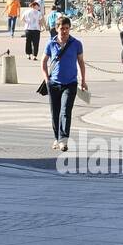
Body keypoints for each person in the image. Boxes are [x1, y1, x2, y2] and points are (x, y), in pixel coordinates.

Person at [42, 16, 86, 151]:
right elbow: (43, 62)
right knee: (55, 113)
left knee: (65, 111)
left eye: (67, 28)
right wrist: (46, 79)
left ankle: (63, 140)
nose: (64, 31)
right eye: (62, 28)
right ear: (56, 29)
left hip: (70, 83)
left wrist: (83, 80)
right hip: (54, 83)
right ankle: (57, 138)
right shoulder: (50, 44)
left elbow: (81, 62)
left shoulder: (76, 43)